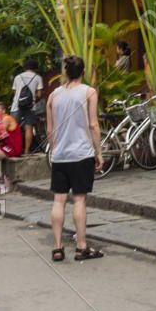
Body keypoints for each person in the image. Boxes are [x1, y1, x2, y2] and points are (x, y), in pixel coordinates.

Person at [47, 54, 103, 262]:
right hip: (81, 154)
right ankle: (81, 246)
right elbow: (93, 125)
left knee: (59, 200)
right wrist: (98, 152)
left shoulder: (54, 96)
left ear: (65, 72)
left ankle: (57, 247)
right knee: (79, 199)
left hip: (60, 156)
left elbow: (50, 130)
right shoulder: (89, 92)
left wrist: (55, 149)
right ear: (83, 72)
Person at [11, 59, 44, 155]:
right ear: (35, 67)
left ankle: (14, 150)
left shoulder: (17, 77)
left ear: (25, 67)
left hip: (16, 106)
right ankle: (26, 151)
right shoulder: (38, 77)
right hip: (30, 106)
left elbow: (15, 92)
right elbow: (39, 94)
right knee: (29, 128)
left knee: (13, 128)